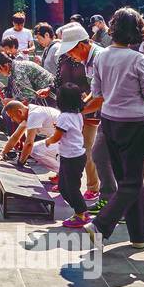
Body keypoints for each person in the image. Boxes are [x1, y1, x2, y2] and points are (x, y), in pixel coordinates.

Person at [81, 7, 144, 250]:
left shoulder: (101, 56)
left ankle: (139, 235)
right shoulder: (136, 58)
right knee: (132, 182)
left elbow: (97, 92)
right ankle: (101, 225)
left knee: (130, 181)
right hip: (133, 123)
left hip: (109, 121)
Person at [51, 23, 116, 212]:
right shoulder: (89, 60)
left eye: (71, 52)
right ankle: (109, 198)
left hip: (118, 113)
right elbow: (94, 93)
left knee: (103, 157)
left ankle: (115, 203)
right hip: (108, 113)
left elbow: (101, 97)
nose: (70, 56)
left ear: (81, 45)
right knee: (99, 156)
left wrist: (75, 112)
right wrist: (78, 108)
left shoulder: (99, 57)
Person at [48, 84, 92, 228]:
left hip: (72, 157)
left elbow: (56, 138)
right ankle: (80, 210)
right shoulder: (77, 114)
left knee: (71, 188)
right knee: (63, 187)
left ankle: (82, 213)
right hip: (74, 155)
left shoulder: (64, 117)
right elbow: (70, 130)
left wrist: (49, 140)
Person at [0, 99, 62, 174]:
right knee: (36, 149)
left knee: (34, 150)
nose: (12, 120)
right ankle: (61, 173)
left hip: (68, 141)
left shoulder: (34, 114)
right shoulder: (28, 114)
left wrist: (20, 163)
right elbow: (15, 137)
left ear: (19, 112)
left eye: (12, 116)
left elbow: (29, 143)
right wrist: (2, 153)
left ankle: (63, 174)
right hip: (59, 140)